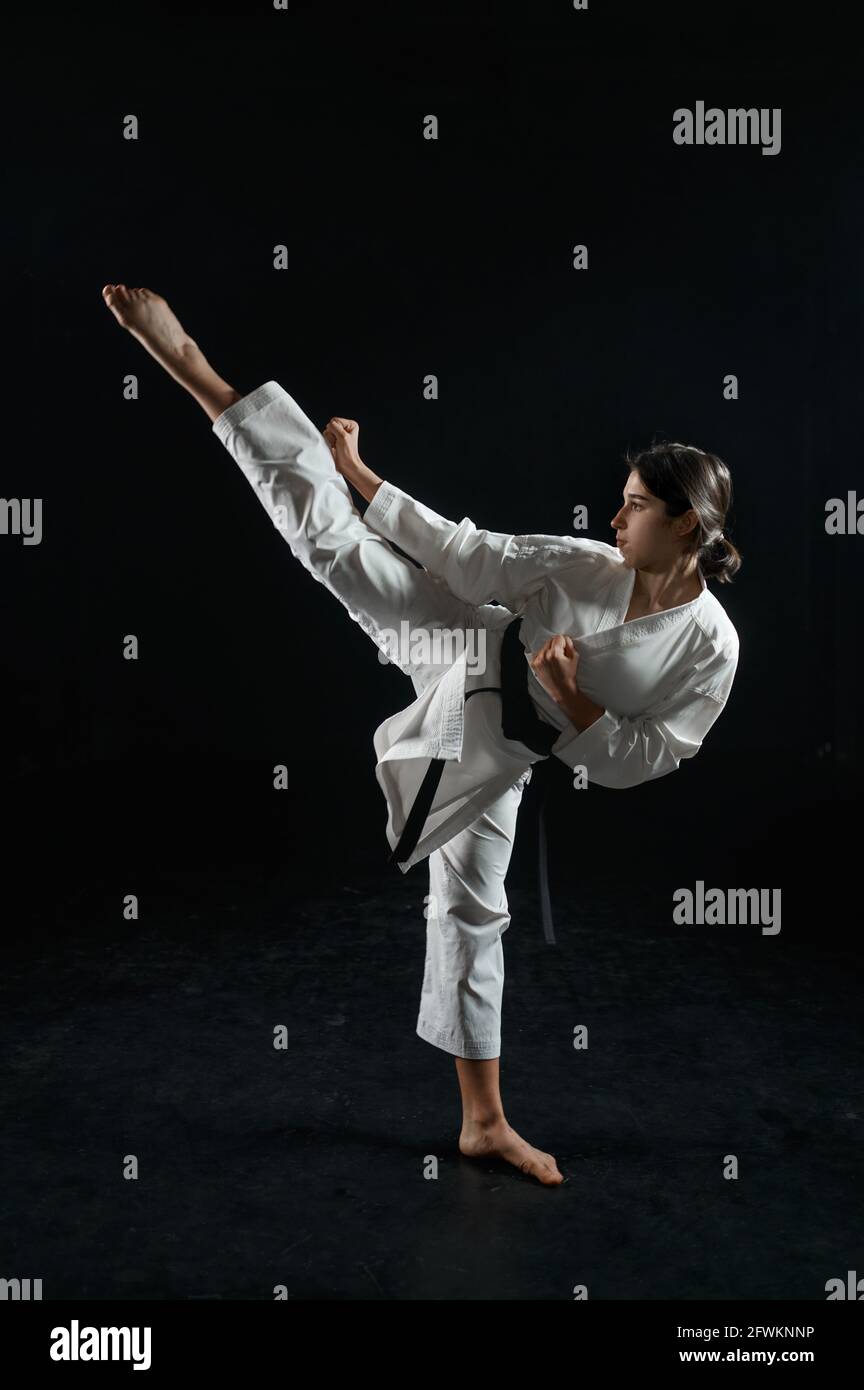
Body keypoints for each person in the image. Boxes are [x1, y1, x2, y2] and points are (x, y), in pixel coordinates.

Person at [101, 284, 742, 1186]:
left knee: (473, 911)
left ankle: (483, 1124)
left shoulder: (711, 647)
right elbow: (473, 557)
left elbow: (657, 755)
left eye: (633, 506)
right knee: (336, 547)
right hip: (464, 647)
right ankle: (194, 369)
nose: (614, 517)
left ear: (684, 524)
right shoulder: (586, 563)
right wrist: (362, 478)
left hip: (500, 749)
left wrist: (579, 705)